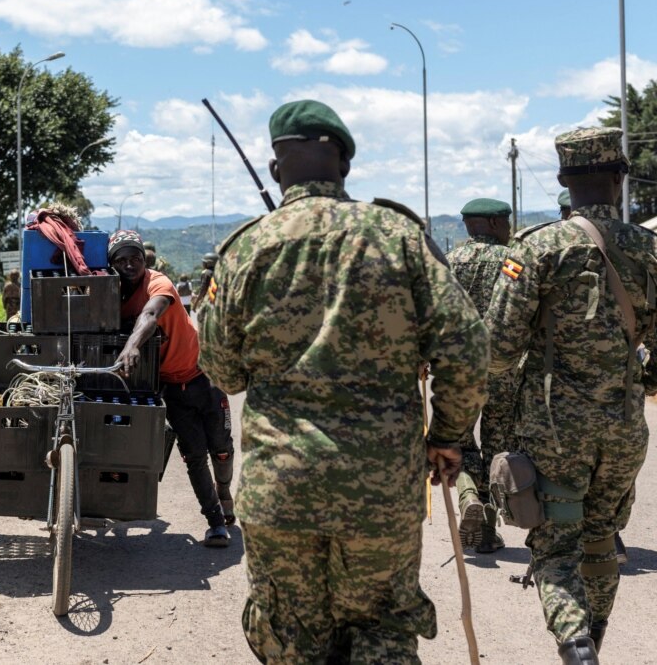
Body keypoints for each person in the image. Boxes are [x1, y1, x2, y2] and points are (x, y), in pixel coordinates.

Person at [198, 100, 488, 662]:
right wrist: (448, 435)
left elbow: (224, 371)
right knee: (382, 628)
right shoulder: (399, 237)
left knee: (291, 637)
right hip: (381, 490)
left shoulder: (245, 250)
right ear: (346, 166)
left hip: (281, 490)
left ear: (277, 169)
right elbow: (467, 345)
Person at [485, 127, 655, 663]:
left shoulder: (538, 248)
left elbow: (495, 348)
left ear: (562, 180)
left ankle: (577, 647)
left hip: (556, 428)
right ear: (620, 178)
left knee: (556, 548)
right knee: (601, 540)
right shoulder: (650, 250)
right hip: (626, 426)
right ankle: (594, 637)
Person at [110, 229, 235, 547]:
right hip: (172, 388)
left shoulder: (160, 283)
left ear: (144, 259)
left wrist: (132, 345)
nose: (129, 265)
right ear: (112, 264)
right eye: (121, 260)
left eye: (134, 258)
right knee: (194, 456)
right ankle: (215, 522)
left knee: (220, 448)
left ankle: (224, 493)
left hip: (206, 375)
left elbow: (150, 314)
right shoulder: (117, 299)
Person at [448, 197, 514, 554]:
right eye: (505, 222)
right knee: (498, 446)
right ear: (491, 223)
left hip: (458, 371)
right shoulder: (512, 261)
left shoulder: (450, 262)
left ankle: (467, 496)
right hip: (503, 370)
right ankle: (487, 529)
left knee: (458, 443)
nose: (508, 229)